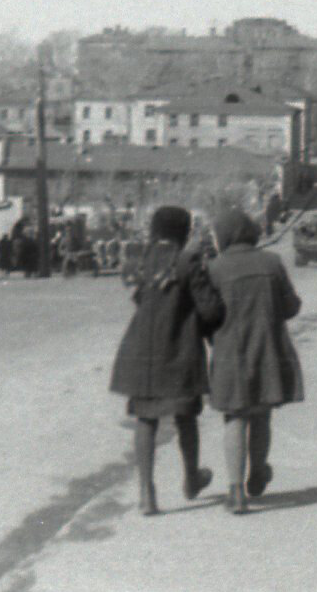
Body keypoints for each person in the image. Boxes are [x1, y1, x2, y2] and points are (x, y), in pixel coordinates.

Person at [109, 206, 223, 516]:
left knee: (145, 418)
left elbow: (140, 298)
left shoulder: (139, 261)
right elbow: (209, 309)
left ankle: (147, 494)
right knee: (186, 416)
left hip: (141, 350)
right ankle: (191, 479)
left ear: (155, 229)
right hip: (179, 349)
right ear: (183, 231)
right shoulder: (188, 261)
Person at [204, 208, 304, 514]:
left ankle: (236, 493)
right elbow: (291, 307)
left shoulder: (214, 268)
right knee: (262, 415)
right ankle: (258, 472)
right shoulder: (272, 262)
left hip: (230, 353)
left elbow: (206, 315)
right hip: (267, 350)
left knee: (234, 417)